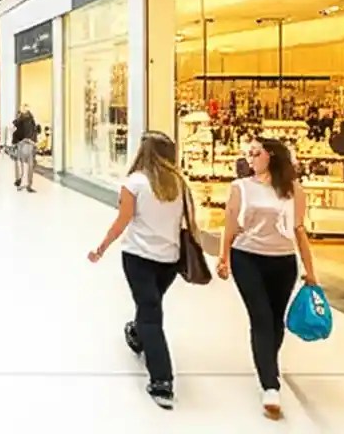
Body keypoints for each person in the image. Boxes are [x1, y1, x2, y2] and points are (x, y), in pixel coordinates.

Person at [87, 131, 194, 410]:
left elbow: (123, 221)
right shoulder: (179, 183)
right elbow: (189, 222)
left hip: (139, 257)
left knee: (151, 314)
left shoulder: (135, 182)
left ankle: (162, 381)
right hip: (170, 259)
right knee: (150, 303)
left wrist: (101, 247)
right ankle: (136, 334)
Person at [217, 137, 319, 421]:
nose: (250, 158)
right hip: (247, 257)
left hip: (283, 261)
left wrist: (311, 272)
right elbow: (230, 222)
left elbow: (299, 230)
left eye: (255, 153)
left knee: (275, 322)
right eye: (248, 154)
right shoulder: (241, 187)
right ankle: (270, 385)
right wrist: (223, 257)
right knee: (261, 317)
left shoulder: (293, 190)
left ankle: (267, 363)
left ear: (271, 155)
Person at [11, 105, 38, 192]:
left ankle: (20, 181)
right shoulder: (31, 120)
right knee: (30, 165)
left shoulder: (20, 120)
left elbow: (16, 133)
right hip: (29, 144)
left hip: (21, 144)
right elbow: (34, 132)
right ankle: (28, 184)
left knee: (20, 163)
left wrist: (15, 142)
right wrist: (34, 143)